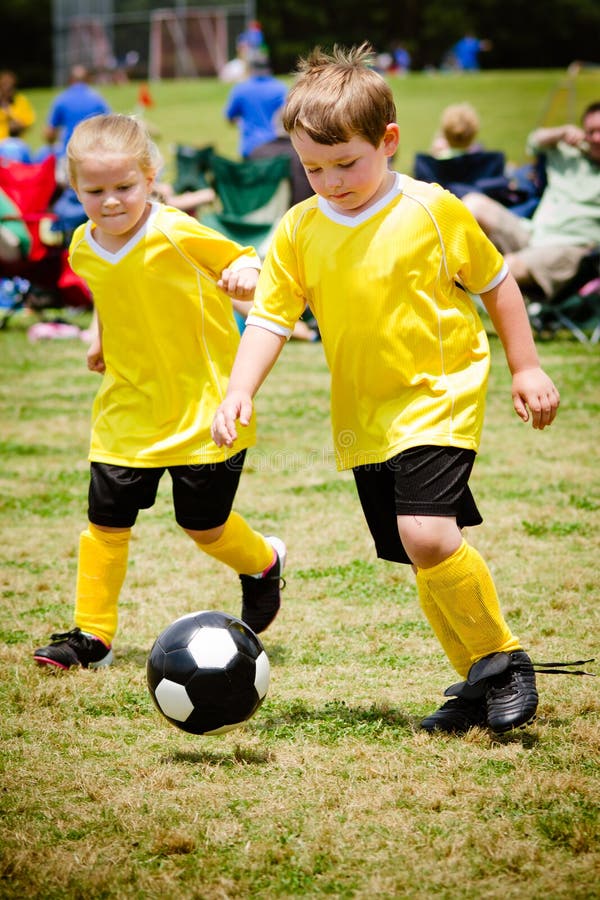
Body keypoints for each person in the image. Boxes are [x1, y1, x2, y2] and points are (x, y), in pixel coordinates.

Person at [211, 44, 561, 736]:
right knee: (419, 552)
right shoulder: (298, 231)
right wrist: (238, 388)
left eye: (347, 163)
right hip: (366, 415)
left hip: (440, 392)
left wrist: (526, 365)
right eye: (314, 168)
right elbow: (272, 319)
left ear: (389, 141)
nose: (332, 182)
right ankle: (475, 682)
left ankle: (503, 659)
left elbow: (496, 283)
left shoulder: (432, 209)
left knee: (426, 534)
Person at [33, 113, 286, 671]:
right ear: (76, 189)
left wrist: (245, 273)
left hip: (204, 408)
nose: (111, 202)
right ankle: (92, 636)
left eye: (124, 187)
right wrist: (99, 335)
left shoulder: (175, 230)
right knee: (105, 523)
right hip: (127, 410)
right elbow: (108, 288)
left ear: (151, 177)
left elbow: (244, 258)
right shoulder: (83, 246)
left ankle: (264, 562)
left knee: (204, 526)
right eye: (95, 190)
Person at [462, 102, 600, 298]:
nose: (596, 138)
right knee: (471, 204)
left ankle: (445, 289)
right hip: (533, 234)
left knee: (502, 267)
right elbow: (534, 141)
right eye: (590, 132)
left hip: (572, 251)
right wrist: (562, 132)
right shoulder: (569, 155)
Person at [224, 51, 312, 206]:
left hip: (251, 149)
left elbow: (229, 117)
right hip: (280, 146)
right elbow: (286, 114)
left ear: (250, 68)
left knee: (259, 194)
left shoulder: (241, 89)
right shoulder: (279, 88)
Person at [44, 65, 111, 182]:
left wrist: (51, 146)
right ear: (88, 79)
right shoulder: (97, 98)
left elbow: (50, 133)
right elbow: (111, 125)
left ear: (70, 80)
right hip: (95, 155)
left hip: (69, 155)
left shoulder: (61, 99)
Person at [0, 70, 35, 141]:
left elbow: (28, 124)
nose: (7, 91)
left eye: (10, 88)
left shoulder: (21, 101)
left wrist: (10, 114)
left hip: (15, 145)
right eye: (4, 87)